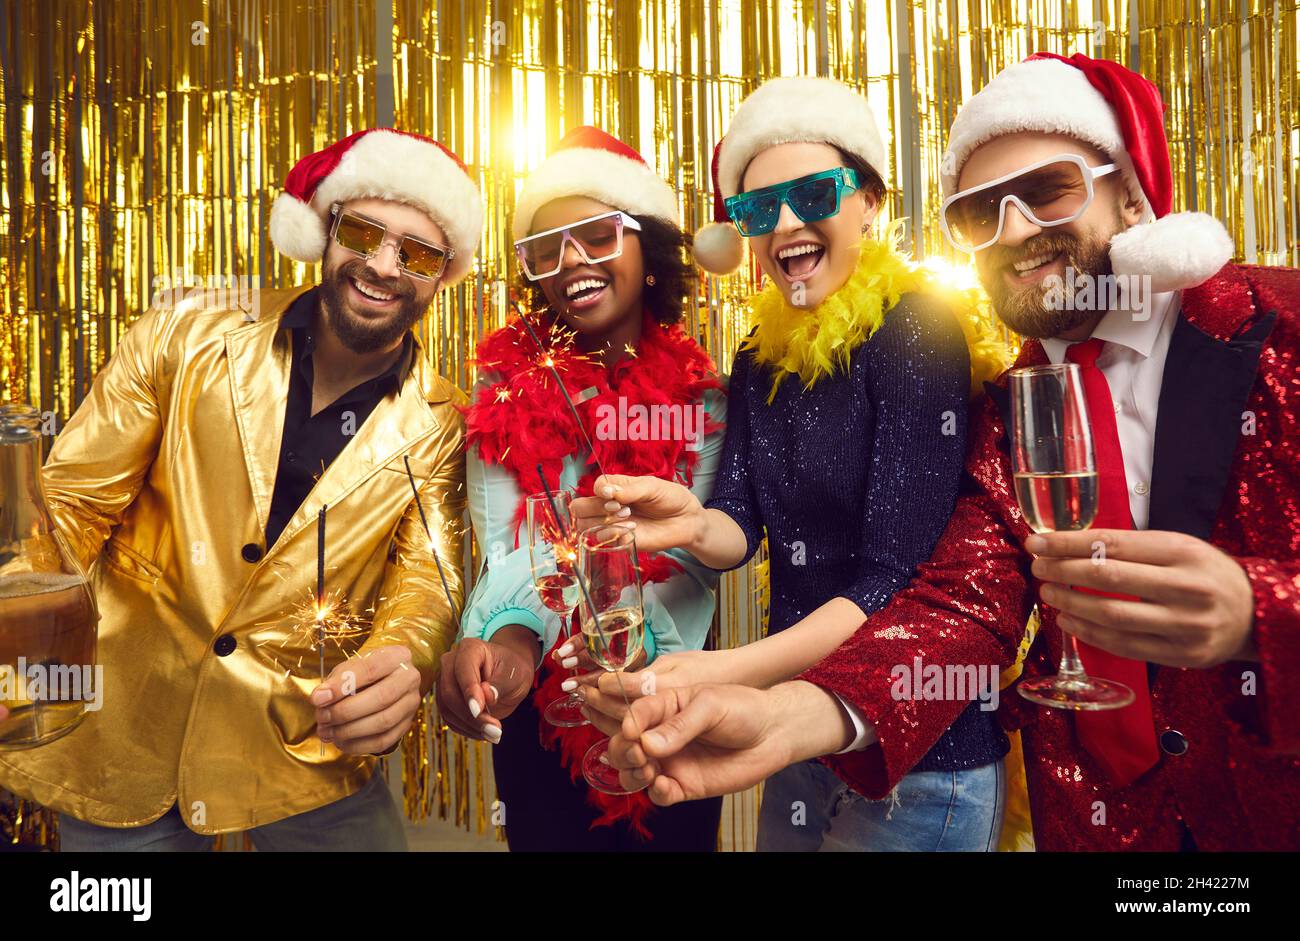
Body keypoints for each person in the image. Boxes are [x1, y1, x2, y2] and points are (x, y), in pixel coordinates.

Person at [584, 53, 1300, 852]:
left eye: (1048, 190)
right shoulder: (1014, 404)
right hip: (1097, 825)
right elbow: (960, 603)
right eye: (979, 212)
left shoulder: (1282, 330)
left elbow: (897, 571)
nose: (1017, 231)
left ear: (1129, 191)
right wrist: (783, 715)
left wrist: (1261, 613)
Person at [0, 128, 482, 851]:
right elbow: (71, 505)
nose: (383, 266)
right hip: (126, 727)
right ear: (324, 230)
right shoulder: (186, 333)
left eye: (416, 252)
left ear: (442, 275)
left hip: (305, 735)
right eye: (363, 232)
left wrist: (403, 663)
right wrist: (21, 604)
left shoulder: (443, 422)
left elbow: (426, 585)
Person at [573, 77, 1009, 851]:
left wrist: (728, 672)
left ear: (869, 200)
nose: (785, 225)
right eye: (757, 209)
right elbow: (741, 521)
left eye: (811, 194)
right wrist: (687, 519)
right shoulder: (756, 354)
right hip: (796, 737)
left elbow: (892, 578)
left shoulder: (917, 330)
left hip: (913, 745)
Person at [434, 127, 728, 850]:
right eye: (547, 250)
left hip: (672, 693)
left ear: (647, 250)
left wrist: (627, 662)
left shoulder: (704, 397)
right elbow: (508, 545)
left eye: (597, 236)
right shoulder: (505, 390)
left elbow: (694, 559)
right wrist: (507, 647)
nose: (572, 264)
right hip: (544, 703)